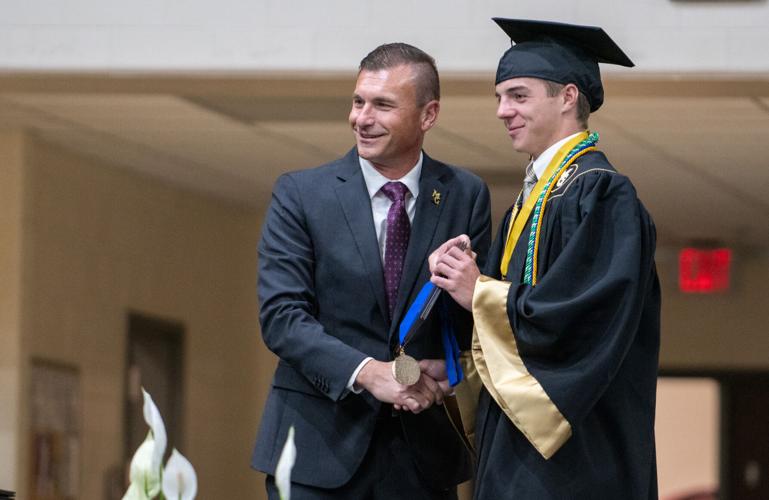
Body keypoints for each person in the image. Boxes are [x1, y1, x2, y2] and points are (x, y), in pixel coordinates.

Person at [430, 19, 661, 499]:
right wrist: (461, 315)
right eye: (499, 97)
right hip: (518, 448)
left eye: (517, 95)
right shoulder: (534, 198)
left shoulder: (599, 194)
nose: (501, 111)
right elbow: (511, 317)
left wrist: (481, 292)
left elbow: (581, 316)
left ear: (568, 96)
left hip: (571, 460)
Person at [251, 42, 492, 499]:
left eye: (382, 105)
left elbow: (467, 324)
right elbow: (282, 317)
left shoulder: (465, 194)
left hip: (422, 456)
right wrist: (368, 372)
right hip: (317, 450)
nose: (361, 117)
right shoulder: (302, 195)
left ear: (428, 115)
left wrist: (450, 363)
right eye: (358, 101)